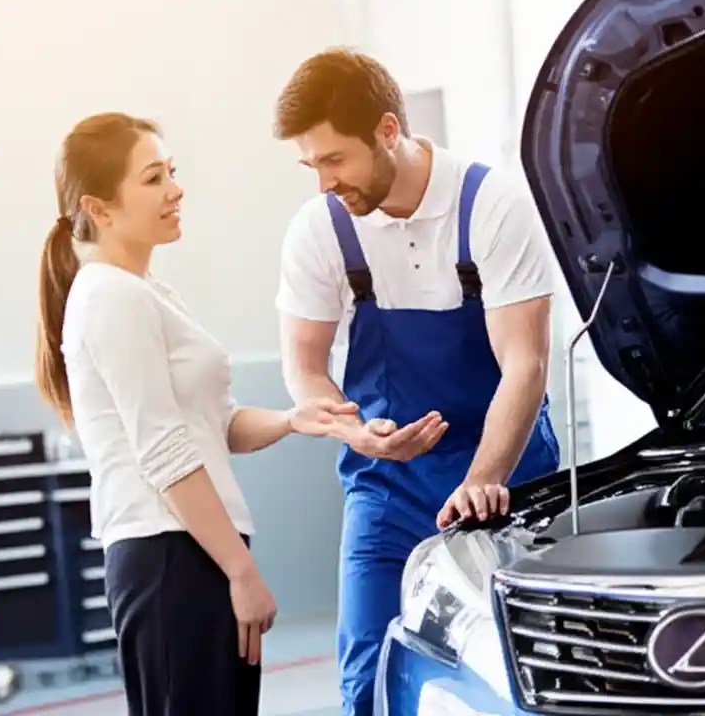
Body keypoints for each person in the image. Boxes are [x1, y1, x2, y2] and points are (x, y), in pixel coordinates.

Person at [33, 112, 358, 716]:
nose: (175, 190)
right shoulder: (109, 296)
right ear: (99, 208)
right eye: (153, 178)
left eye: (172, 172)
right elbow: (163, 450)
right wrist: (240, 572)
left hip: (194, 552)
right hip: (169, 559)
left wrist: (294, 419)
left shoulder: (147, 291)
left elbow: (216, 424)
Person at [272, 48, 564, 715]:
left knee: (524, 677)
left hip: (510, 478)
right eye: (310, 164)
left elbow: (525, 363)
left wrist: (484, 478)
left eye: (334, 160)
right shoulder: (319, 228)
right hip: (388, 483)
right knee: (365, 680)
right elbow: (304, 366)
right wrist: (354, 430)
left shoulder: (489, 204)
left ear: (386, 130)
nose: (323, 183)